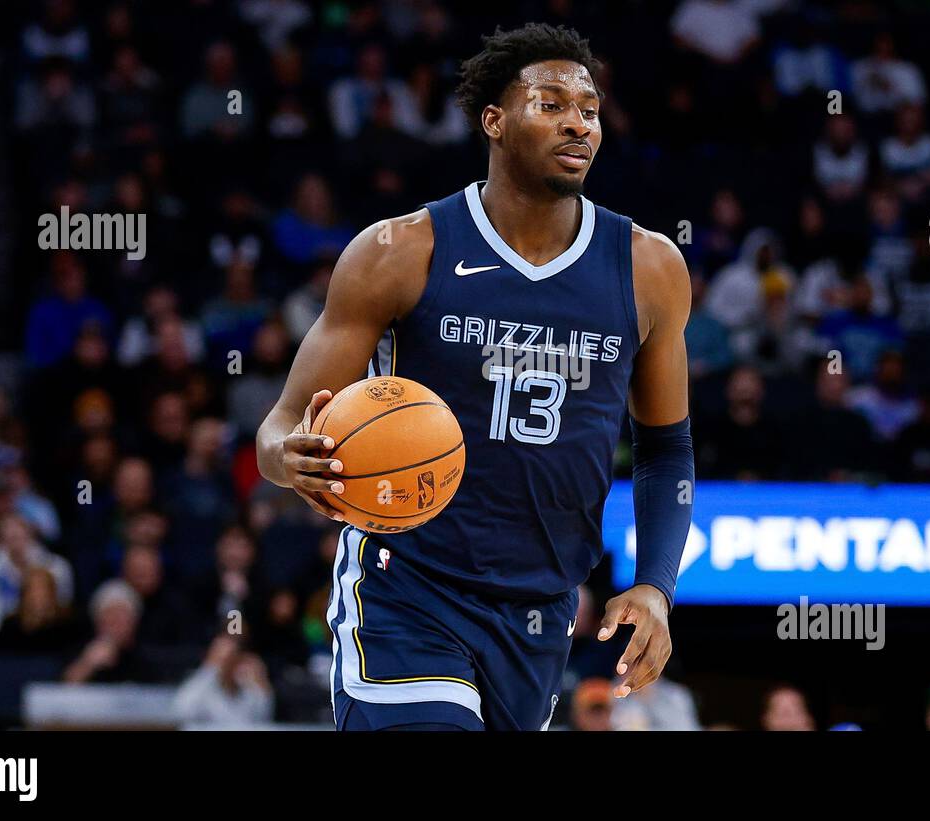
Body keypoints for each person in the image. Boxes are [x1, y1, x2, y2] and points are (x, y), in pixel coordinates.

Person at [257, 23, 693, 731]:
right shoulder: (399, 251)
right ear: (494, 120)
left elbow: (666, 448)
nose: (578, 122)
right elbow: (278, 426)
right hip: (408, 588)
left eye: (588, 108)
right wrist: (288, 457)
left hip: (542, 608)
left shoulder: (649, 268)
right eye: (550, 104)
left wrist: (656, 587)